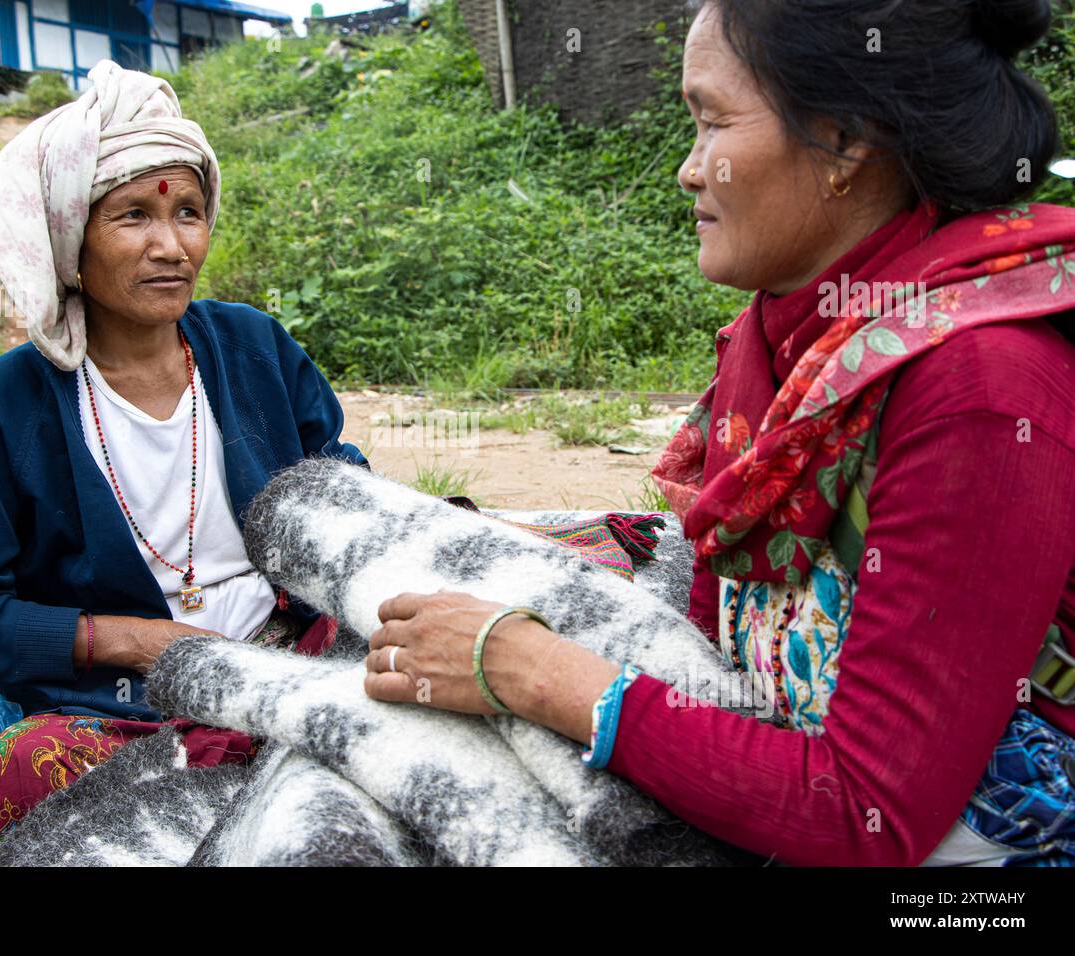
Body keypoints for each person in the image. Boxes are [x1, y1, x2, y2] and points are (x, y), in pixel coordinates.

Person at [363, 0, 1075, 866]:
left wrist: (528, 669)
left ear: (847, 141)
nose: (687, 171)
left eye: (710, 123)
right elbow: (711, 650)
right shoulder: (786, 352)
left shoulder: (980, 389)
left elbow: (865, 814)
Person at [0, 60, 362, 846]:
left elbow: (340, 492)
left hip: (283, 666)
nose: (171, 245)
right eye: (133, 218)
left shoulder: (253, 347)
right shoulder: (12, 401)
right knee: (25, 767)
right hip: (114, 706)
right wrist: (137, 641)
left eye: (189, 211)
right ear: (71, 243)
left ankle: (268, 757)